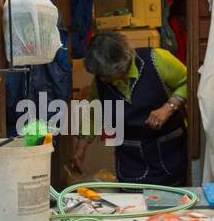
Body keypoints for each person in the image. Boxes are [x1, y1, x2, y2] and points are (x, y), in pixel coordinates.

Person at [71, 30, 189, 186]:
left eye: (107, 75)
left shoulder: (157, 60)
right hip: (130, 162)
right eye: (101, 76)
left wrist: (169, 106)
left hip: (168, 153)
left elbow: (189, 81)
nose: (103, 80)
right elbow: (94, 114)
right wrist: (81, 148)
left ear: (122, 63)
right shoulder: (100, 81)